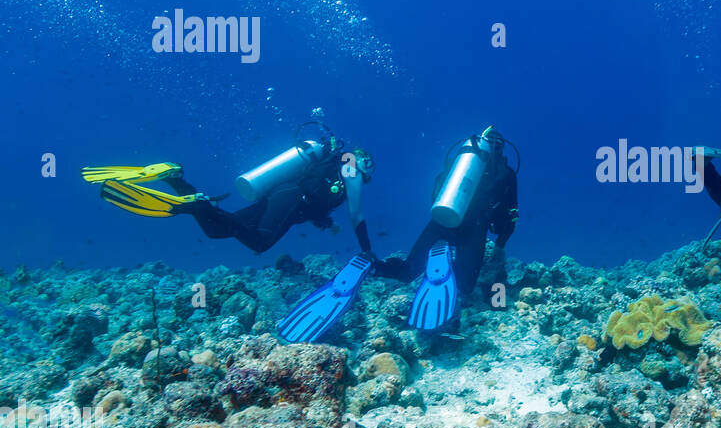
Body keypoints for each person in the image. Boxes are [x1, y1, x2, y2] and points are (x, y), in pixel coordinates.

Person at [82, 121, 375, 256]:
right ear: (361, 161)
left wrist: (323, 222)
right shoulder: (351, 167)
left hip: (283, 194)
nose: (367, 175)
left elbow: (317, 194)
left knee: (218, 230)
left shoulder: (335, 165)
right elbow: (356, 214)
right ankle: (199, 204)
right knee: (259, 242)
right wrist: (367, 251)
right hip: (290, 199)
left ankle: (175, 178)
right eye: (368, 168)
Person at [372, 126, 519, 331]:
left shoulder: (459, 161)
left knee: (407, 272)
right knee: (465, 286)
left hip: (442, 219)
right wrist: (500, 246)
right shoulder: (507, 173)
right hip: (475, 228)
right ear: (502, 149)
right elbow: (511, 214)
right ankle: (449, 264)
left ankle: (374, 267)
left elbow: (437, 189)